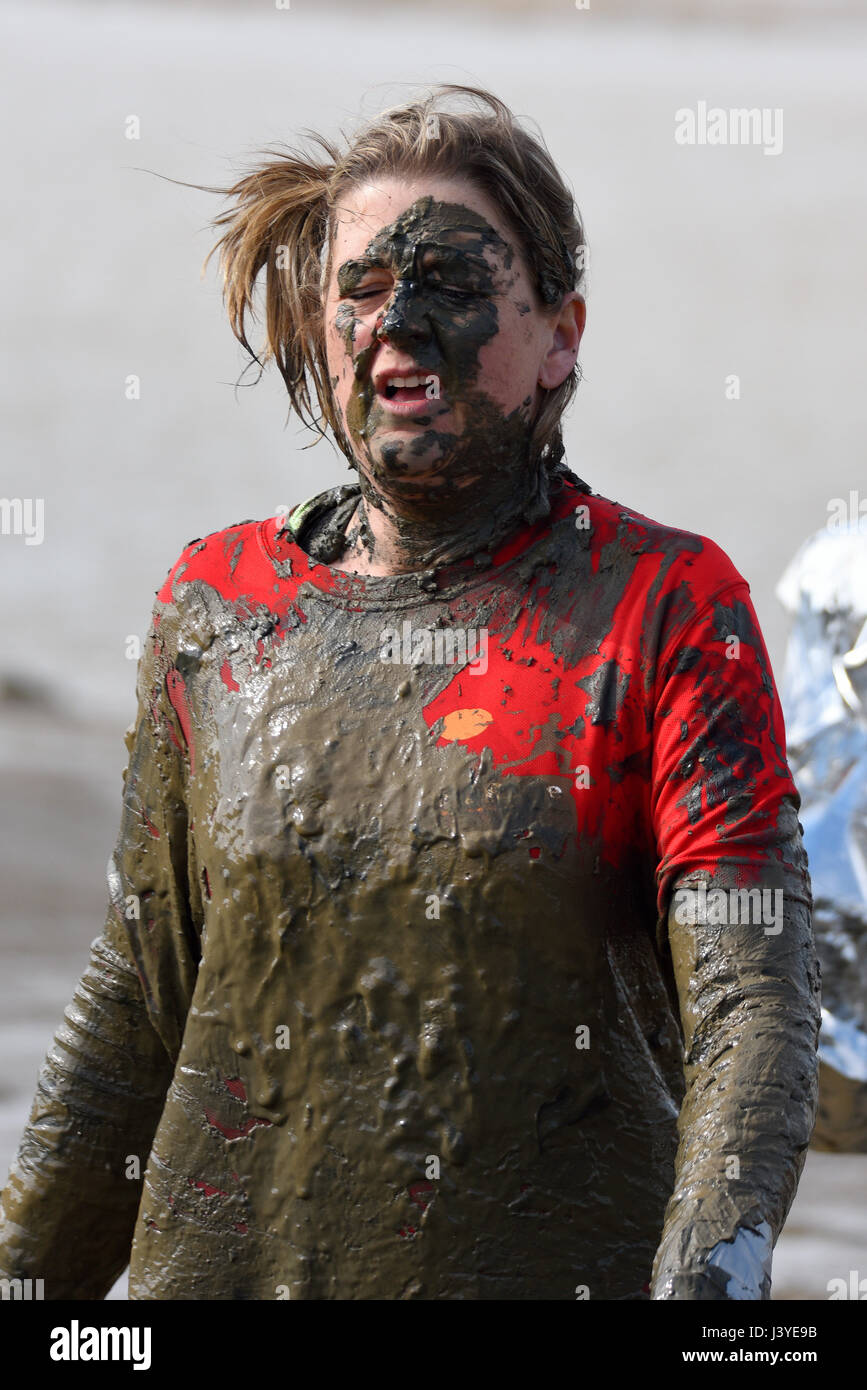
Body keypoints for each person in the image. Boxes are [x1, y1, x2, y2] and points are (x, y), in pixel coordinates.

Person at [0, 84, 820, 1301]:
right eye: (364, 290)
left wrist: (710, 1288)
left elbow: (751, 1003)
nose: (398, 324)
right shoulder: (219, 605)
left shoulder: (665, 606)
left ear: (561, 336)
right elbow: (133, 1009)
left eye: (448, 281)